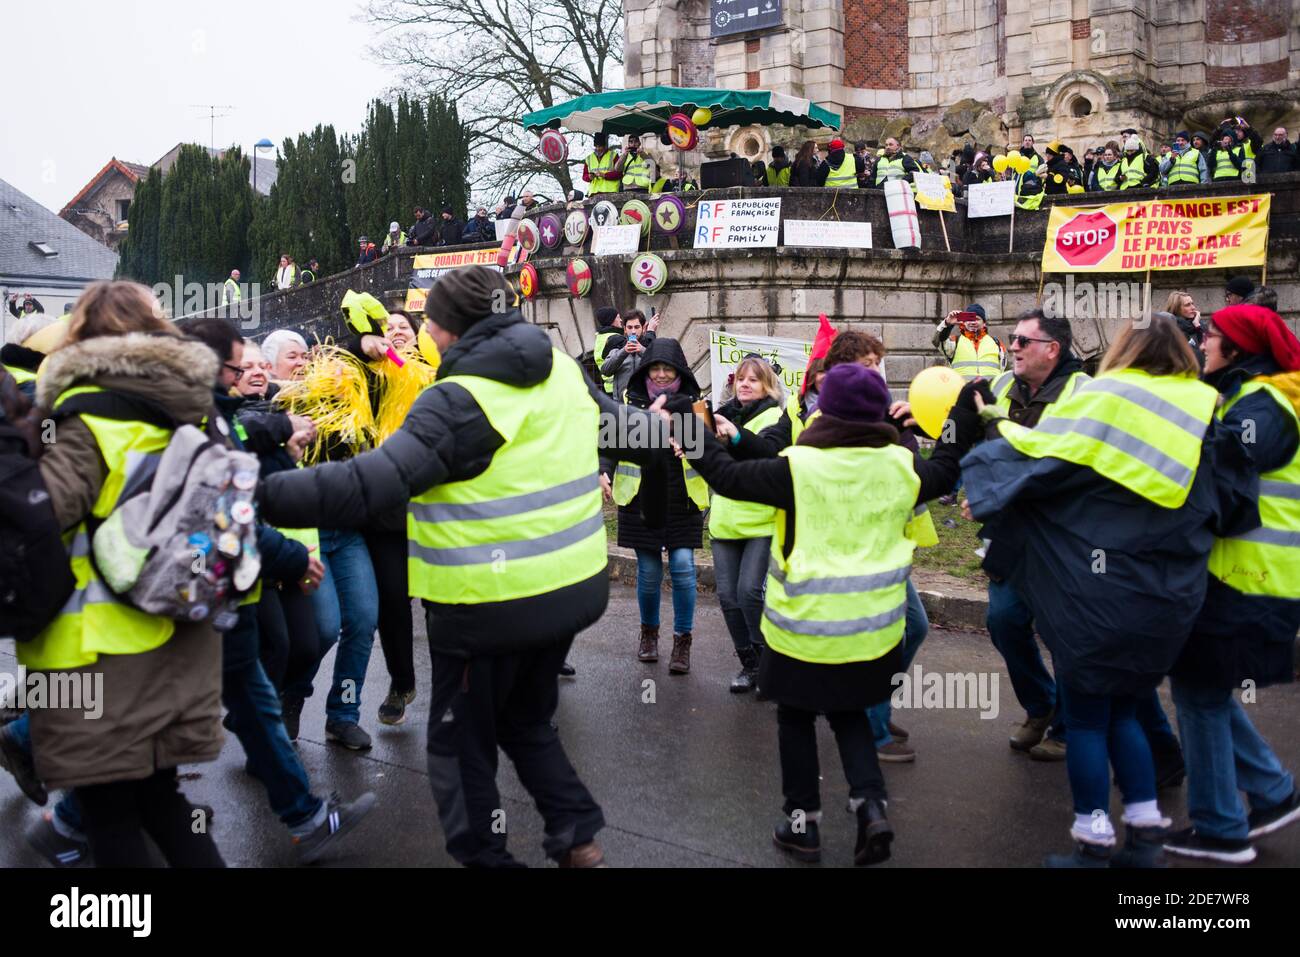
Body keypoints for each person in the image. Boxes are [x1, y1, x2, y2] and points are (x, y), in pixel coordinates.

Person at [257, 265, 661, 867]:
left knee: (455, 746)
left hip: (487, 608)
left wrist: (252, 489)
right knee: (526, 721)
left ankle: (490, 858)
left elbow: (373, 483)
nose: (424, 333)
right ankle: (578, 837)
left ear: (446, 329)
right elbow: (631, 430)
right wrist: (699, 437)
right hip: (570, 592)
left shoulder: (458, 398)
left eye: (429, 322)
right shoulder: (561, 372)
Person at [963, 313, 1259, 867]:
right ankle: (1145, 836)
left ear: (1125, 348)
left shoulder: (1103, 398)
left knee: (1090, 722)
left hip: (1096, 598)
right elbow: (1233, 503)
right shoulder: (1204, 407)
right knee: (1126, 713)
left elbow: (1041, 461)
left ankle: (1093, 843)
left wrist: (994, 435)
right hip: (1171, 598)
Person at [679, 363, 979, 864]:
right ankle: (871, 808)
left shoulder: (798, 467)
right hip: (872, 634)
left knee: (795, 720)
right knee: (852, 718)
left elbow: (727, 477)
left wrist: (690, 430)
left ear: (826, 411)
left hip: (803, 632)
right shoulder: (900, 469)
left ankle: (804, 826)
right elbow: (947, 466)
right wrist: (960, 415)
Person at [7, 282, 227, 867]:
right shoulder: (198, 414)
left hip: (97, 654)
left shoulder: (84, 418)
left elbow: (41, 515)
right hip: (181, 633)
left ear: (79, 338)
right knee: (160, 798)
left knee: (109, 814)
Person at [186, 317, 378, 860]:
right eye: (235, 366)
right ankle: (66, 807)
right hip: (203, 587)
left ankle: (306, 814)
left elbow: (245, 436)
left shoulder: (209, 412)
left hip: (222, 588)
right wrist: (292, 556)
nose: (245, 375)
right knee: (154, 700)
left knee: (249, 697)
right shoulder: (193, 420)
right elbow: (226, 512)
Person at [1163, 304, 1300, 864]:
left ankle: (1221, 827)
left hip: (1244, 577)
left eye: (1210, 336)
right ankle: (1271, 792)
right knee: (1206, 689)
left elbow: (1224, 476)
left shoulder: (1263, 405)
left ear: (1239, 350)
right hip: (1247, 574)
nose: (1201, 344)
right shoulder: (1258, 398)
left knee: (1198, 689)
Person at [982, 310, 1090, 761]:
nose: (1013, 347)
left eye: (1023, 341)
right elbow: (973, 434)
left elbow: (1072, 457)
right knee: (1004, 621)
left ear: (1053, 349)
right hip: (1010, 528)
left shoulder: (1083, 391)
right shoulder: (1002, 386)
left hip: (1063, 532)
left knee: (1062, 632)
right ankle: (1041, 706)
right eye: (1012, 339)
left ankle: (1066, 728)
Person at [615, 337, 708, 675]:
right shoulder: (631, 402)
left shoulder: (697, 405)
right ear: (646, 370)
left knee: (683, 568)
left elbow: (709, 451)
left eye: (668, 368)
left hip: (683, 499)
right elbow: (612, 443)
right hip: (642, 498)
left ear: (679, 370)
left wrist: (691, 448)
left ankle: (682, 641)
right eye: (656, 367)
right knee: (650, 571)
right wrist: (602, 472)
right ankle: (648, 635)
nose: (662, 374)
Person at [708, 356, 785, 693]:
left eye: (753, 380)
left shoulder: (776, 416)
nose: (745, 384)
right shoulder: (717, 416)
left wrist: (734, 436)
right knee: (727, 596)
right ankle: (750, 665)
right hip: (725, 520)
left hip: (760, 519)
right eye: (741, 379)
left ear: (767, 385)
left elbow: (766, 454)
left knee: (749, 592)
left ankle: (769, 661)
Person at [599, 307, 658, 402]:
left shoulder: (650, 346)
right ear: (625, 329)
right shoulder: (618, 346)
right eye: (630, 327)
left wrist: (642, 350)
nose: (633, 331)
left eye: (637, 327)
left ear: (643, 328)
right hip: (622, 405)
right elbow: (605, 370)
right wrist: (624, 351)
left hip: (647, 404)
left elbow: (659, 366)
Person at [935, 304, 1004, 381]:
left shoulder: (996, 343)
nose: (973, 322)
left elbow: (1005, 371)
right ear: (964, 322)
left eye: (977, 319)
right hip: (963, 392)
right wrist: (947, 323)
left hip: (989, 392)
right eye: (970, 319)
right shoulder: (955, 341)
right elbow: (937, 341)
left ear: (984, 323)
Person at [591, 305, 623, 397]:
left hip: (609, 387)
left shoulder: (600, 337)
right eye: (618, 317)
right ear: (611, 320)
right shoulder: (615, 338)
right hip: (620, 387)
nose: (620, 320)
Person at [1164, 290, 1204, 357]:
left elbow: (1205, 349)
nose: (1193, 308)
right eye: (1187, 305)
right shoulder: (1170, 328)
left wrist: (1197, 326)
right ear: (1176, 308)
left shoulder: (1199, 324)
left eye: (1192, 303)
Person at [583, 131, 624, 196]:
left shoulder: (614, 155)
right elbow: (584, 176)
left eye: (600, 146)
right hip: (593, 193)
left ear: (604, 146)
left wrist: (604, 175)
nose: (598, 148)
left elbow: (619, 174)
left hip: (610, 192)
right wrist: (589, 177)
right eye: (596, 146)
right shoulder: (589, 158)